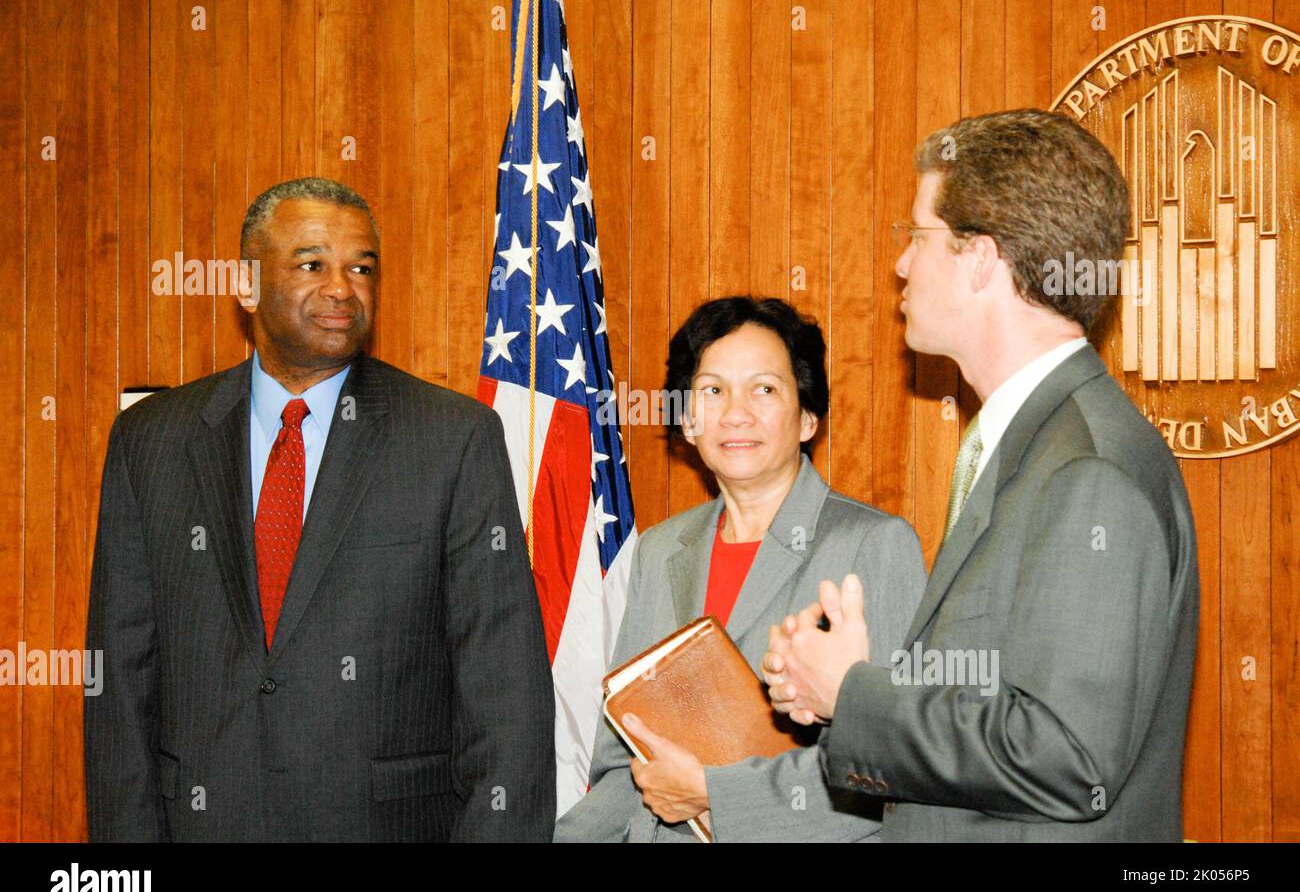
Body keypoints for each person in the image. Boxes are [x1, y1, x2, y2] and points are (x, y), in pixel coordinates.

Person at [765, 109, 1200, 841]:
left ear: (981, 259)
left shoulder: (1089, 470)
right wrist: (846, 683)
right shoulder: (1034, 445)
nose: (901, 263)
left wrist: (855, 695)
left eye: (917, 236)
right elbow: (1003, 706)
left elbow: (1067, 755)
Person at [84, 177, 555, 841]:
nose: (342, 288)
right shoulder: (151, 440)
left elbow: (506, 696)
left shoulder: (453, 438)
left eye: (361, 267)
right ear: (245, 285)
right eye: (312, 264)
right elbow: (120, 689)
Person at [555, 297, 927, 842]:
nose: (735, 412)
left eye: (765, 389)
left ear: (808, 417)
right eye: (713, 390)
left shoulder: (873, 545)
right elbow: (623, 761)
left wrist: (716, 793)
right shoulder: (660, 551)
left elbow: (898, 767)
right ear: (686, 420)